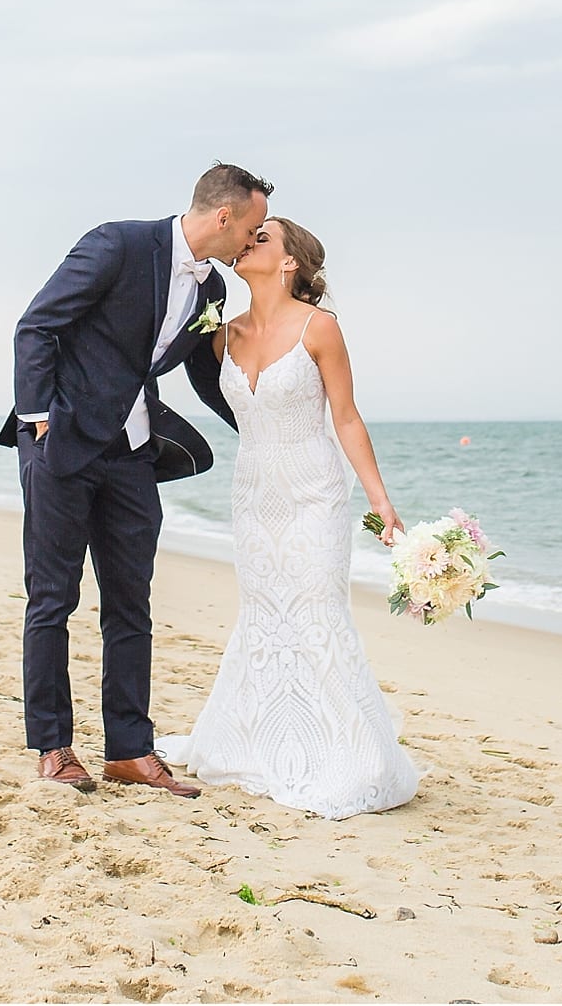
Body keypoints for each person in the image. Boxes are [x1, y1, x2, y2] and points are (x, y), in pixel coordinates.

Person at [0, 162, 271, 794]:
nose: (252, 242)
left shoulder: (211, 293)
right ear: (224, 216)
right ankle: (54, 746)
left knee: (131, 605)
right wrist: (37, 418)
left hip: (133, 458)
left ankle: (128, 749)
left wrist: (256, 426)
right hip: (59, 446)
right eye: (251, 229)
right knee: (52, 600)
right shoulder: (118, 244)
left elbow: (203, 375)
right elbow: (37, 325)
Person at [154, 217, 423, 819]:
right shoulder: (221, 335)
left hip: (313, 493)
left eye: (263, 238)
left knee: (317, 612)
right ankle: (263, 741)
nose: (248, 241)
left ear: (290, 262)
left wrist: (380, 501)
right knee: (265, 616)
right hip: (253, 494)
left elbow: (347, 418)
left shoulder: (320, 328)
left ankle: (343, 754)